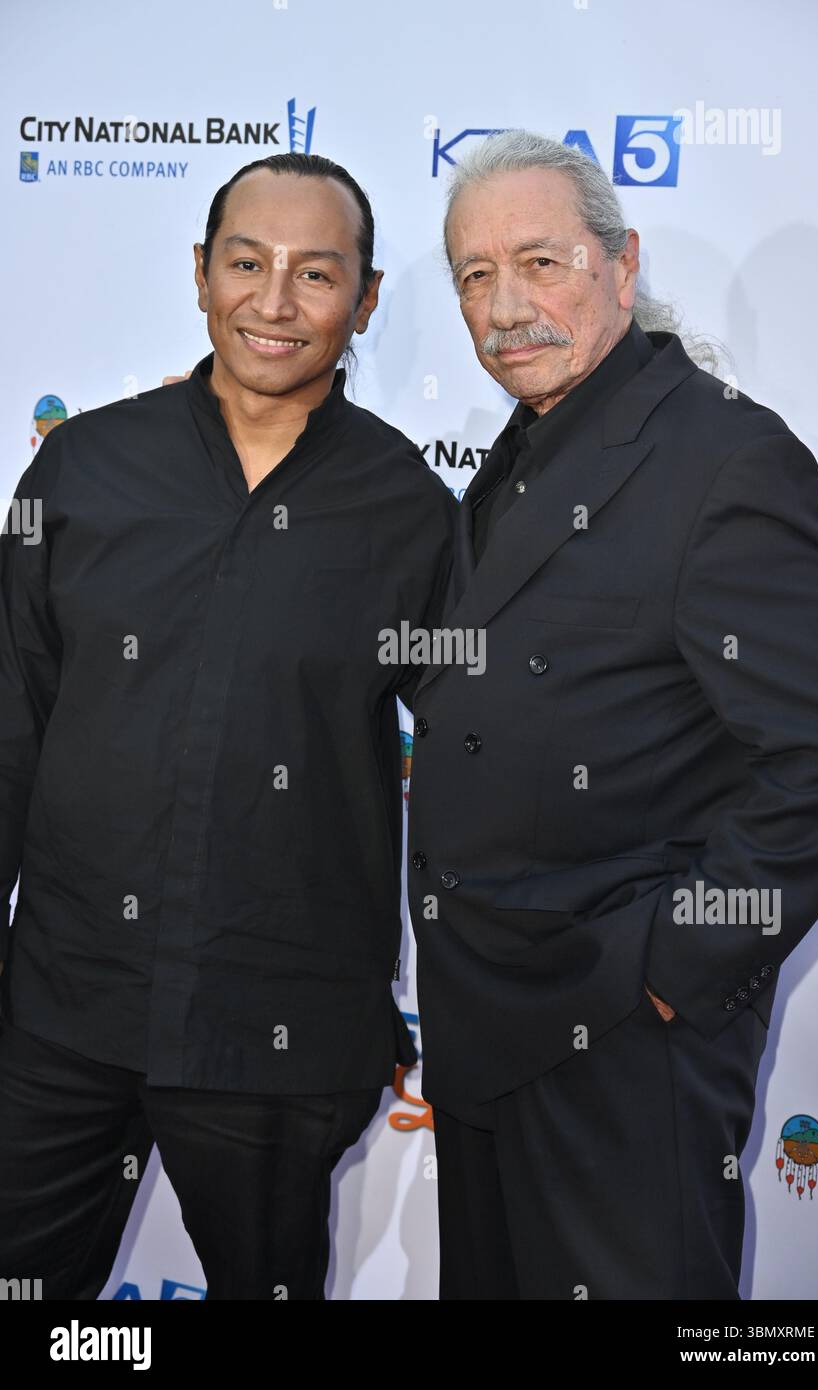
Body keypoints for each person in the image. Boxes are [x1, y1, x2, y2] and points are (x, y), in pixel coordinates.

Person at [406, 129, 818, 1299]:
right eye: (473, 274)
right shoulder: (514, 454)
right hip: (489, 1023)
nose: (506, 306)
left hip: (621, 1033)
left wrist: (674, 967)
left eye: (539, 262)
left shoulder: (721, 456)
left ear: (622, 262)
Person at [0, 151, 455, 1300]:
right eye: (247, 262)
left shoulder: (411, 510)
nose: (274, 299)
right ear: (201, 274)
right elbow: (10, 726)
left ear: (365, 299)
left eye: (316, 273)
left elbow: (475, 758)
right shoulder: (84, 468)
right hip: (62, 1011)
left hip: (280, 1027)